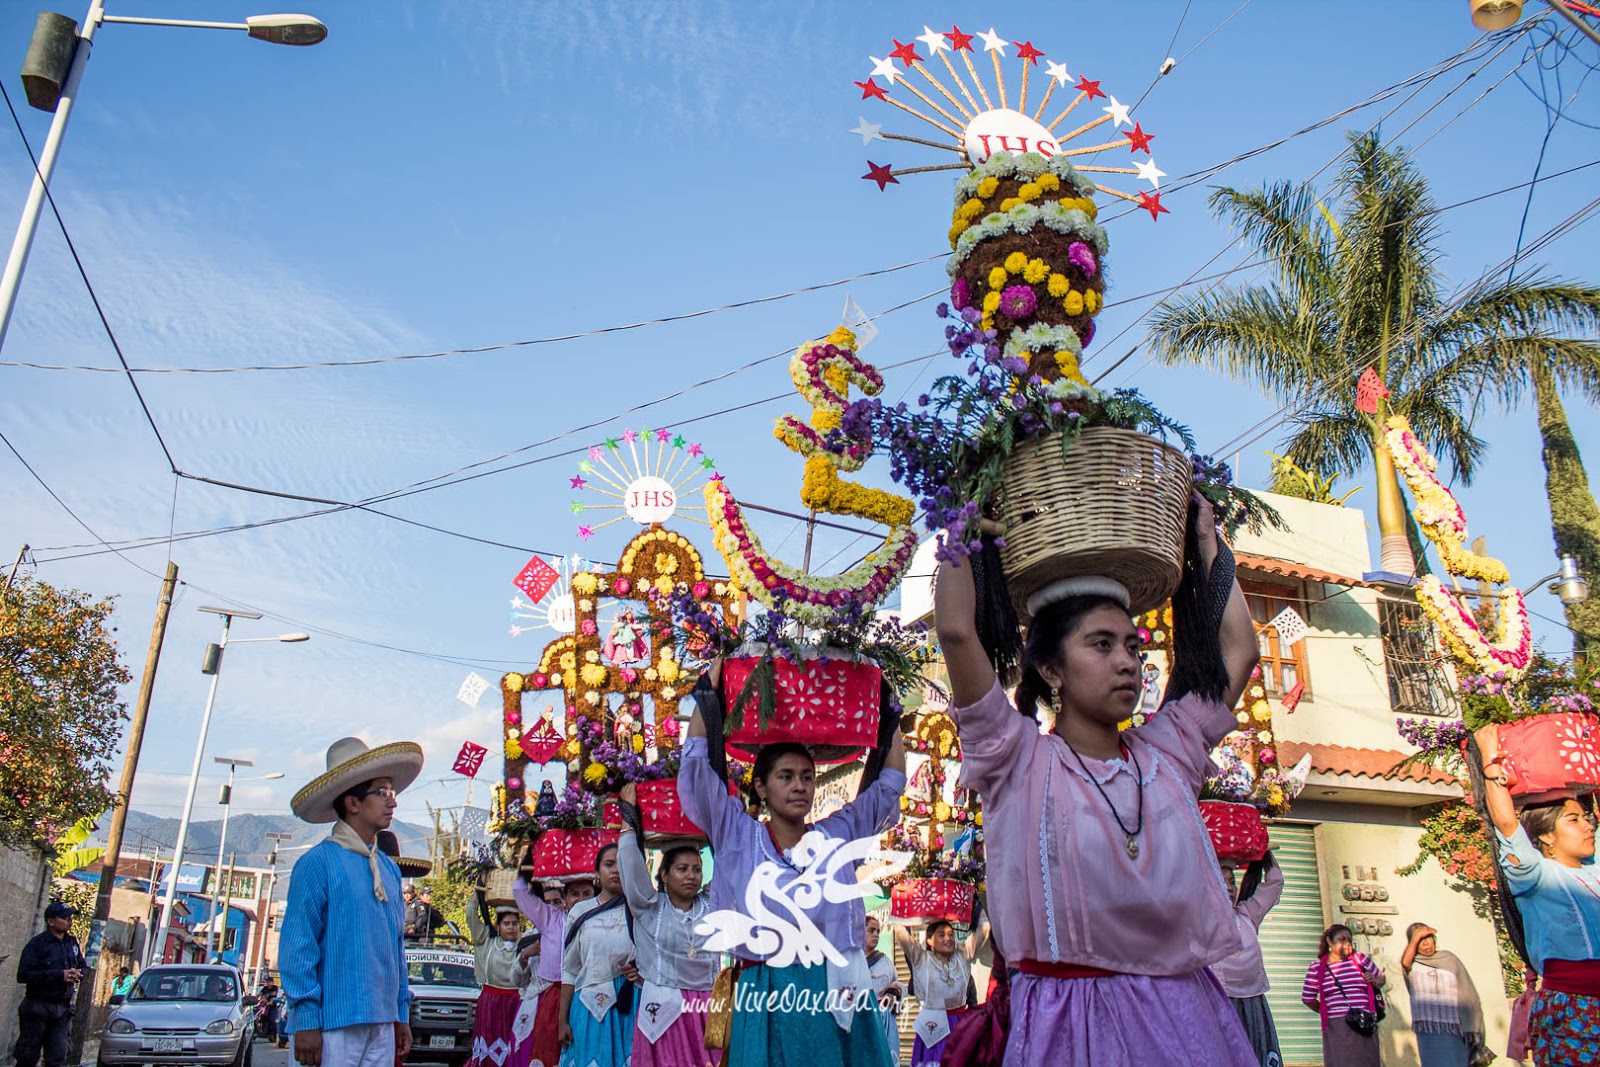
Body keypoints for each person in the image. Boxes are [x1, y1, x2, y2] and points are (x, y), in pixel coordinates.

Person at [933, 497, 1260, 1066]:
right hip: (1068, 1023)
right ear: (1051, 669)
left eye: (1133, 647)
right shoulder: (1016, 759)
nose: (1128, 662)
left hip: (1188, 1018)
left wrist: (1208, 543)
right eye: (1102, 645)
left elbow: (1240, 650)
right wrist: (962, 528)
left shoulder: (1169, 753)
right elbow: (958, 633)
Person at [678, 662, 906, 1065]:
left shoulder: (838, 835)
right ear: (761, 788)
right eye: (785, 776)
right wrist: (707, 697)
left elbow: (888, 786)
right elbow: (697, 769)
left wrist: (888, 714)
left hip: (835, 991)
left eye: (806, 776)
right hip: (765, 994)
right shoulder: (737, 835)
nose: (799, 785)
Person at [281, 736, 423, 1067]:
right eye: (383, 792)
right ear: (352, 803)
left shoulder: (388, 869)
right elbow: (298, 946)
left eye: (393, 792)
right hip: (331, 1024)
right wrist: (306, 1019)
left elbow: (395, 949)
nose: (393, 802)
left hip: (381, 1022)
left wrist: (400, 1013)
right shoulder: (318, 864)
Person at [1476, 724, 1600, 1066]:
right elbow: (1505, 824)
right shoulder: (1534, 874)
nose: (1588, 825)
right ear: (1545, 836)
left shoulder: (1595, 870)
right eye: (1574, 820)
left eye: (1586, 818)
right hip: (1571, 1006)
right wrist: (1490, 759)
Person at [615, 782, 721, 1067]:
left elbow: (729, 861)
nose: (691, 876)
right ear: (663, 874)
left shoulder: (713, 905)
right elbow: (631, 866)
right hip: (663, 1013)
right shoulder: (650, 909)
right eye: (682, 869)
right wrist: (628, 816)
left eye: (697, 869)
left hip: (707, 1009)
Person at [558, 844, 637, 1067]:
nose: (616, 871)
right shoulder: (580, 912)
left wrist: (640, 968)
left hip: (630, 1003)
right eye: (609, 865)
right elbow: (571, 969)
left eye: (621, 864)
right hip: (589, 1006)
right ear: (597, 873)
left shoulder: (642, 909)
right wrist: (562, 1020)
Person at [514, 874, 596, 1067]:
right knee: (549, 1054)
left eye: (587, 893)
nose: (581, 899)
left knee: (586, 1053)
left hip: (591, 996)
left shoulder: (605, 921)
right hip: (554, 999)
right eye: (574, 894)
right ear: (566, 898)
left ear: (595, 895)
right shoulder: (551, 919)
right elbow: (519, 890)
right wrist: (529, 858)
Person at [1213, 855, 1285, 1067]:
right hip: (1220, 1002)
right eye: (1221, 879)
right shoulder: (1200, 919)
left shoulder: (1247, 915)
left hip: (1253, 1002)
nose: (1229, 887)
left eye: (1232, 881)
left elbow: (1275, 882)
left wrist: (1264, 852)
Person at [893, 913, 989, 1066]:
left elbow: (984, 928)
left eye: (951, 934)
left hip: (959, 1023)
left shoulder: (963, 956)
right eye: (941, 935)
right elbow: (900, 930)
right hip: (933, 1026)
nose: (948, 938)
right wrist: (904, 899)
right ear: (930, 940)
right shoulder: (920, 958)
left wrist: (975, 902)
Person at [1400, 923, 1484, 1067]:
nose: (1426, 942)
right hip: (1429, 1033)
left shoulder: (1449, 959)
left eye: (1428, 937)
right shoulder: (1412, 964)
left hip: (1457, 1029)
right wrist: (1415, 939)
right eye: (1420, 939)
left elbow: (1468, 993)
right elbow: (1405, 963)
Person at [1300, 924, 1385, 1067]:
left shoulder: (1360, 960)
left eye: (1349, 940)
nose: (1347, 943)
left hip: (1365, 1020)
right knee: (1342, 1060)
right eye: (1342, 939)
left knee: (1367, 1059)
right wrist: (1328, 1011)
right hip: (1338, 1024)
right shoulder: (1316, 968)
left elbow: (1381, 979)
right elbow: (1308, 998)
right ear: (1329, 941)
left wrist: (1375, 981)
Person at [13, 901, 85, 1067]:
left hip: (62, 1009)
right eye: (65, 917)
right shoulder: (38, 944)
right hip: (37, 1007)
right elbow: (24, 975)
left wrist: (78, 974)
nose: (69, 921)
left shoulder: (71, 943)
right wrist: (59, 975)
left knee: (58, 1057)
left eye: (70, 917)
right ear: (51, 921)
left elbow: (83, 966)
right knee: (27, 1056)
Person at [465, 880, 525, 1067]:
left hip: (516, 1004)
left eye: (514, 923)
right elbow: (471, 915)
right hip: (491, 1003)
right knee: (489, 1049)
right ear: (498, 926)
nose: (511, 927)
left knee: (514, 1046)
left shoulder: (526, 943)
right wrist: (478, 892)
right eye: (506, 923)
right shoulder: (486, 941)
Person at [864, 916, 903, 1062]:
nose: (876, 935)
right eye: (871, 930)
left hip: (883, 1017)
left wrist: (893, 993)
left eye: (878, 932)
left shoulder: (885, 962)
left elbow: (897, 985)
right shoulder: (851, 961)